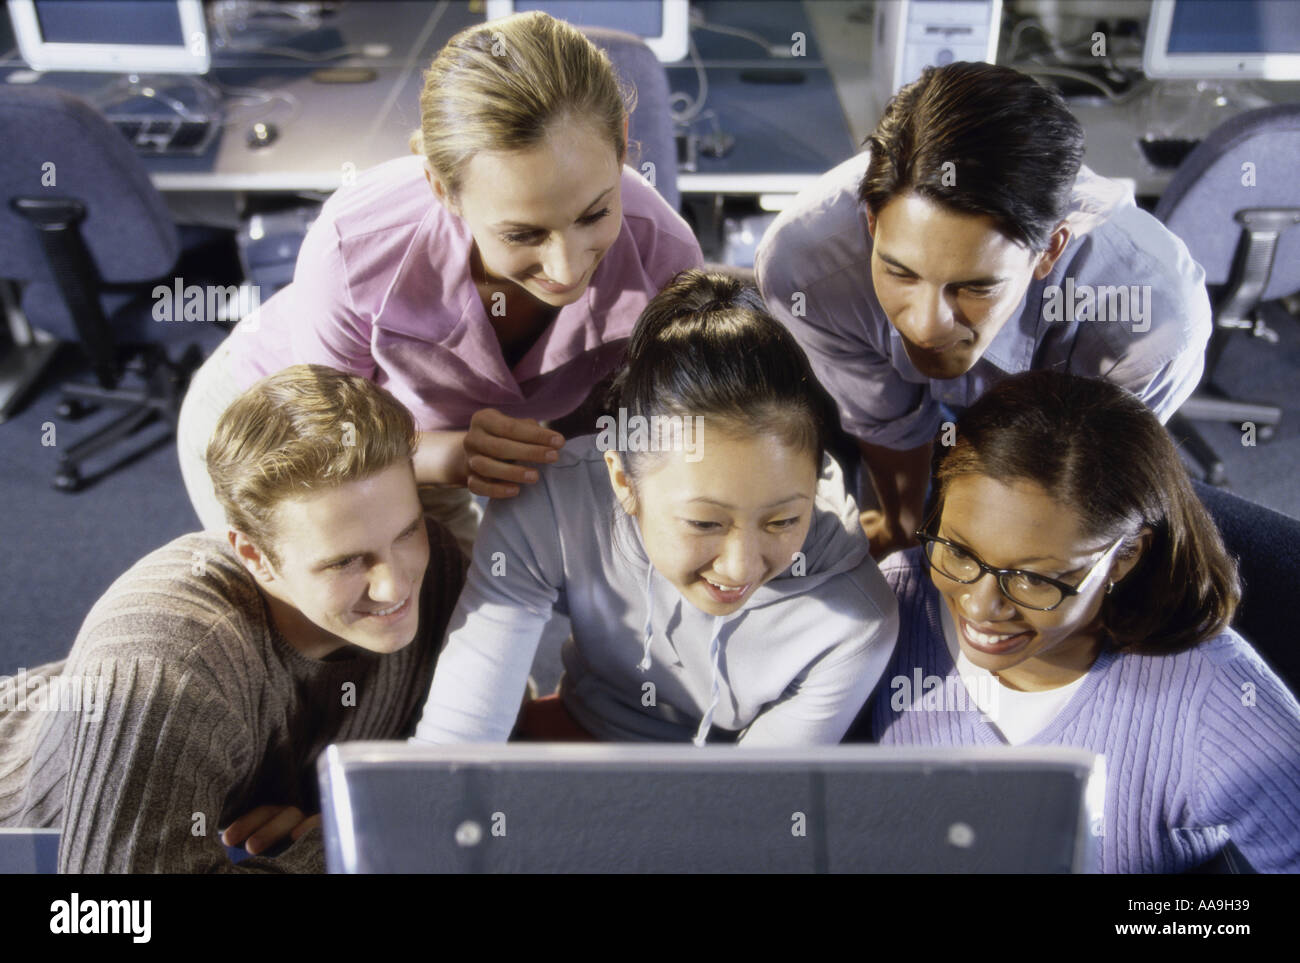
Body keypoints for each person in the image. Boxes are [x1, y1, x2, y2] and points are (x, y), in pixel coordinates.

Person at [178, 11, 703, 553]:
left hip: (432, 439)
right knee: (331, 611)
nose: (568, 270)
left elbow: (657, 424)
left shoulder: (665, 255)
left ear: (621, 142)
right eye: (522, 234)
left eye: (594, 215)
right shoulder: (355, 245)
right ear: (440, 186)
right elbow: (329, 436)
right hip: (288, 428)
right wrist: (443, 455)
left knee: (452, 608)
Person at [0, 365, 466, 872]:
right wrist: (338, 844)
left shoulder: (435, 563)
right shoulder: (165, 665)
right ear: (254, 554)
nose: (395, 586)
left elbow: (473, 744)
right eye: (343, 561)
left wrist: (339, 807)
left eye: (406, 531)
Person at [412, 270, 899, 747]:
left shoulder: (857, 620)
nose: (740, 566)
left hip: (726, 783)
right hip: (580, 733)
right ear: (623, 480)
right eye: (704, 521)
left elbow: (753, 803)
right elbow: (458, 746)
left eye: (782, 521)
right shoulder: (551, 501)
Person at [755, 61, 1211, 558]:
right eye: (900, 273)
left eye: (975, 287)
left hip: (1054, 459)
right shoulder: (807, 266)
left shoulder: (1152, 327)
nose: (925, 327)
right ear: (871, 223)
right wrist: (903, 530)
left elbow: (1075, 492)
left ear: (1049, 251)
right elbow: (888, 423)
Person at [856, 371, 1300, 873]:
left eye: (1033, 579)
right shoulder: (896, 598)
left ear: (1126, 557)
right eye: (959, 551)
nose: (980, 608)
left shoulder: (1220, 708)